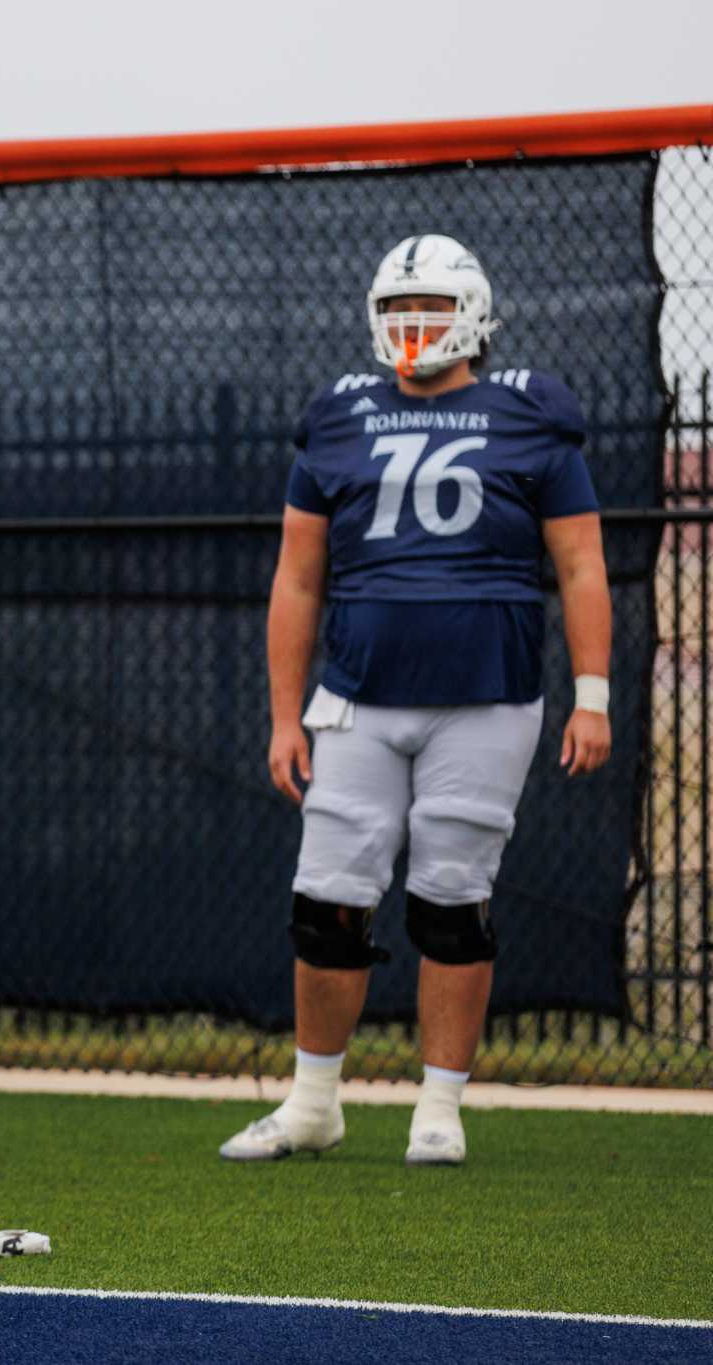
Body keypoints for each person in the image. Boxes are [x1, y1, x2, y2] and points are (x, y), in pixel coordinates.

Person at [220, 233, 612, 1167]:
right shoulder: (341, 415)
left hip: (486, 695)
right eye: (397, 310)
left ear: (473, 314)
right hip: (359, 694)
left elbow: (581, 562)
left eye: (430, 309)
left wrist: (593, 694)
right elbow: (298, 576)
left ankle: (439, 1107)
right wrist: (283, 714)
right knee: (327, 899)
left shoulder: (527, 412)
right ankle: (313, 1103)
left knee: (451, 901)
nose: (412, 327)